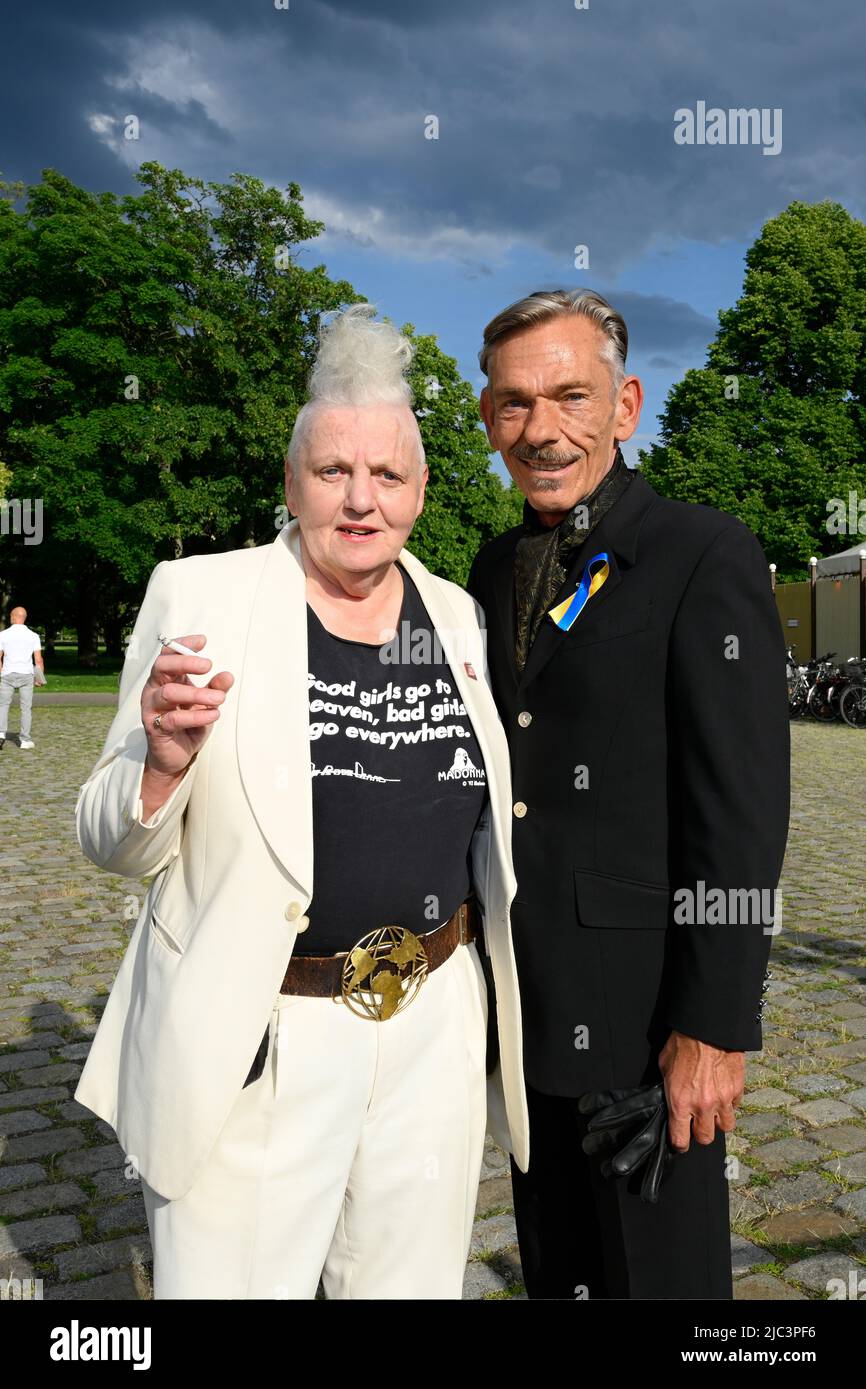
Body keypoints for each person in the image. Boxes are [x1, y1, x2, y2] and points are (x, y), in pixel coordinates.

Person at [73, 305, 528, 1300]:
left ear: (418, 490)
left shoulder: (453, 613)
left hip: (428, 1020)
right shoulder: (201, 596)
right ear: (292, 483)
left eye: (387, 476)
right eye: (333, 472)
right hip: (267, 1032)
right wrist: (157, 764)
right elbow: (106, 832)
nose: (360, 499)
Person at [467, 288, 790, 1300]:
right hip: (524, 1012)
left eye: (570, 395)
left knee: (661, 1286)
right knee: (557, 1270)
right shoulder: (485, 566)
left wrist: (714, 1025)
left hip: (648, 1028)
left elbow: (738, 811)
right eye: (514, 404)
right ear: (487, 420)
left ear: (624, 403)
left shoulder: (704, 554)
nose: (541, 429)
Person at [0, 605, 44, 750]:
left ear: (13, 617)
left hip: (8, 674)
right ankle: (25, 740)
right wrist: (39, 678)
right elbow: (38, 659)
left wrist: (1, 671)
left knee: (3, 705)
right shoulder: (33, 636)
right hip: (26, 674)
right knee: (26, 708)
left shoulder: (3, 634)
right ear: (24, 618)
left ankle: (0, 733)